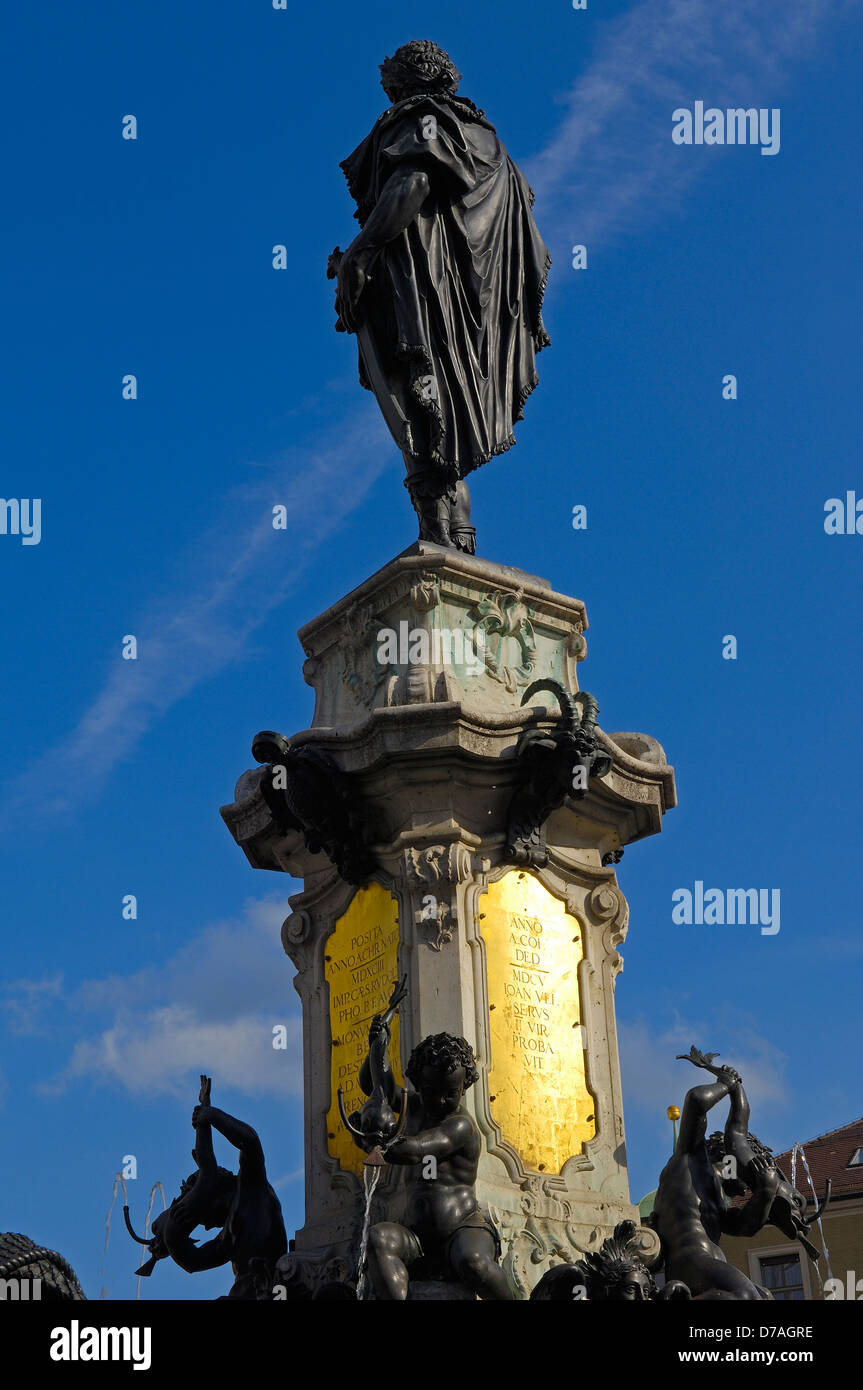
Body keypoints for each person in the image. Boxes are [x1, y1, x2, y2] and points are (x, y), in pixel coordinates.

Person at [331, 39, 550, 553]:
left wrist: (362, 251)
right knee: (439, 413)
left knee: (414, 401)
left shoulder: (422, 119)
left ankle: (436, 535)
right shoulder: (489, 143)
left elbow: (413, 181)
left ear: (403, 80)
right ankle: (457, 537)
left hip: (420, 288)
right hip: (471, 306)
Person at [356, 1026, 514, 1299]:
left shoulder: (460, 1125)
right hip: (416, 1236)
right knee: (378, 1238)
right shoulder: (414, 1106)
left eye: (451, 1093)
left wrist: (375, 1143)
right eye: (431, 1092)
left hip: (462, 1229)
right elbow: (376, 1088)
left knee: (474, 1262)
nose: (441, 1100)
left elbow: (417, 1149)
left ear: (464, 1086)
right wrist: (377, 1048)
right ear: (418, 1084)